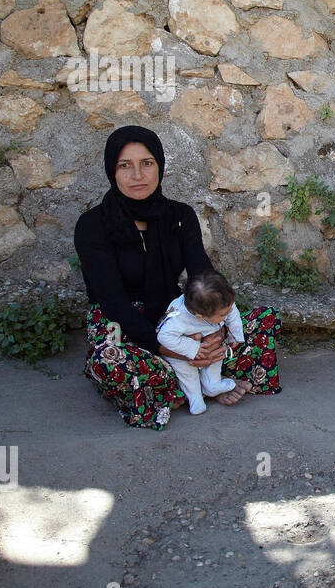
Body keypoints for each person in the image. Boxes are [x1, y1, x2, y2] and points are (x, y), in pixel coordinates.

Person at [74, 126, 282, 430]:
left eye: (147, 163)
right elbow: (112, 301)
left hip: (178, 316)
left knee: (262, 322)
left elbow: (203, 275)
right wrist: (169, 347)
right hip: (121, 324)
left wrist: (213, 335)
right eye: (125, 165)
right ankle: (201, 382)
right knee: (110, 362)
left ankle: (177, 387)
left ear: (159, 164)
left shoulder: (180, 216)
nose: (137, 175)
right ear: (112, 171)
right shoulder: (92, 225)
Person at [157, 270, 245, 416]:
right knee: (187, 373)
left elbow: (232, 312)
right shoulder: (178, 320)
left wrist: (235, 336)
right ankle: (195, 397)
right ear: (200, 316)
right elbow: (164, 337)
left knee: (215, 360)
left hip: (212, 344)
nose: (229, 313)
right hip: (181, 351)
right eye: (223, 314)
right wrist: (193, 349)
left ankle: (212, 386)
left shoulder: (223, 303)